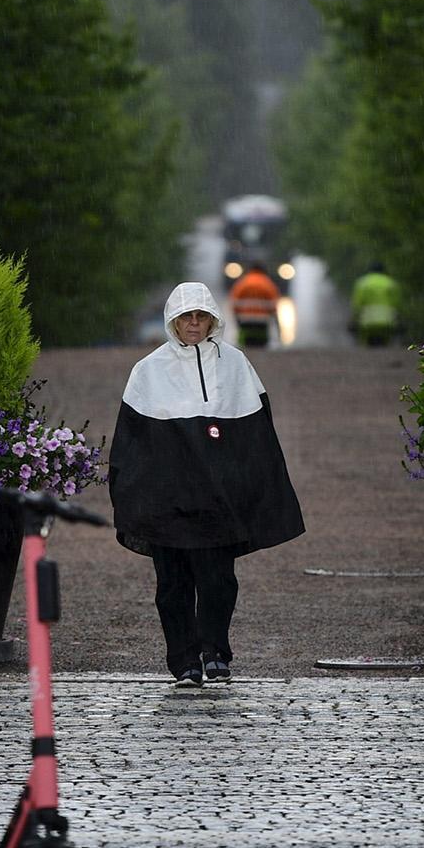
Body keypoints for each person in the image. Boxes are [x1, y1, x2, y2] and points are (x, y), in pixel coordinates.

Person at [108, 282, 305, 688]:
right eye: (185, 317)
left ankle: (215, 651)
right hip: (167, 497)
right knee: (173, 584)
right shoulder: (147, 371)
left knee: (218, 581)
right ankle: (183, 661)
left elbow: (258, 437)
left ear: (214, 319)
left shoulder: (236, 366)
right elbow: (129, 442)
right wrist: (130, 495)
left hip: (219, 497)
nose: (194, 324)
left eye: (201, 316)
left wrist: (256, 489)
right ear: (173, 321)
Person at [349, 262, 403, 347]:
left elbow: (357, 305)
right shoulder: (391, 283)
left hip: (367, 322)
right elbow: (397, 305)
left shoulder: (362, 283)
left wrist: (354, 320)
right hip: (387, 321)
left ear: (369, 271)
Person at [228, 262, 281, 348]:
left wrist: (236, 320)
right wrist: (277, 327)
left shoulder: (243, 283)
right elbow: (273, 305)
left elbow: (234, 303)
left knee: (245, 347)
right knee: (261, 347)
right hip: (262, 321)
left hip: (245, 320)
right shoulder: (267, 283)